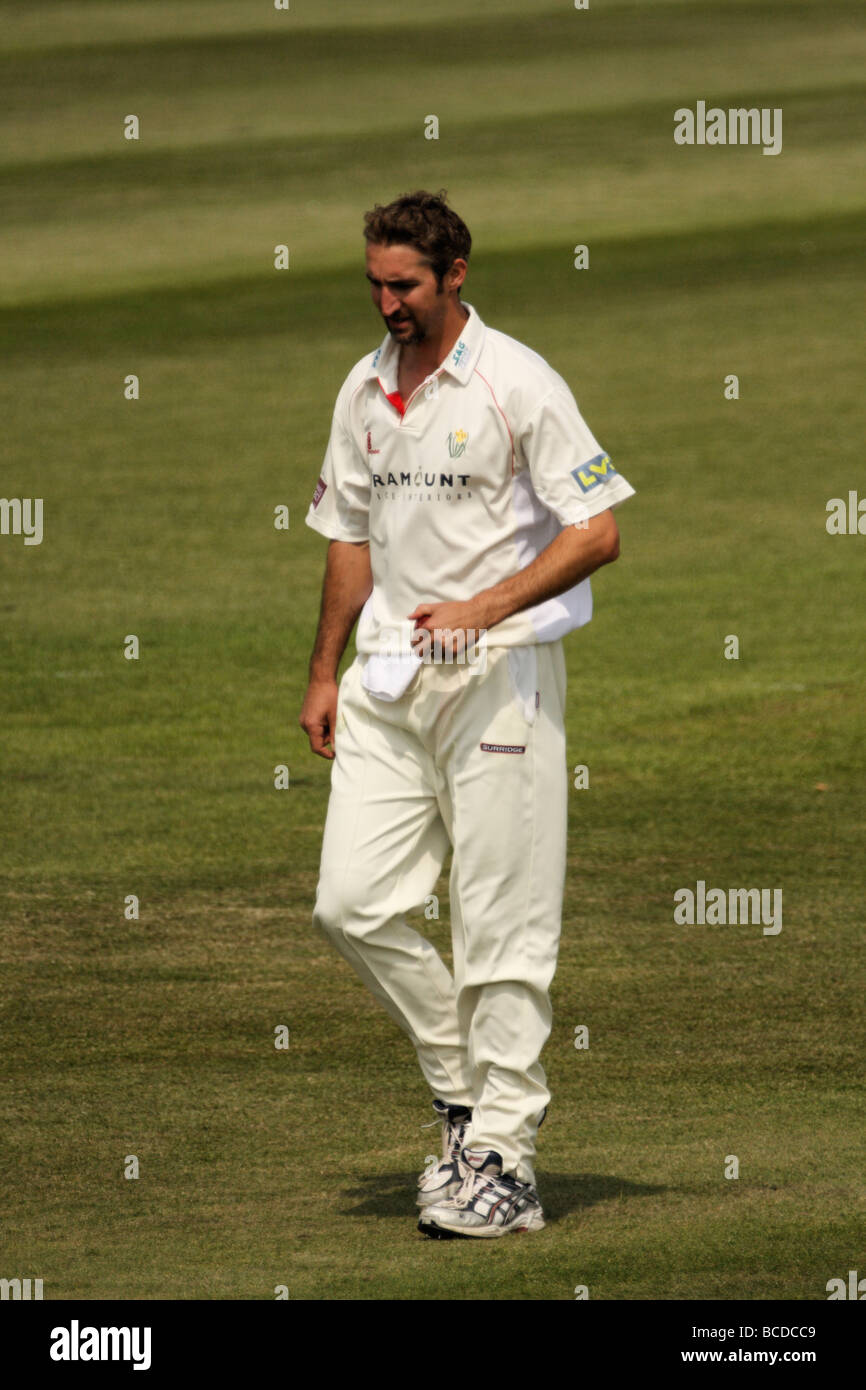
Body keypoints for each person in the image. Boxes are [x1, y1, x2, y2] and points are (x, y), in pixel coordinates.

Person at [300, 190, 635, 1239]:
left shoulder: (515, 382)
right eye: (373, 284)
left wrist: (485, 607)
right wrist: (322, 669)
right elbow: (347, 534)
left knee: (500, 928)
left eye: (402, 284)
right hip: (388, 684)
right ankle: (462, 1098)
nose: (386, 302)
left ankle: (506, 1159)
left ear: (453, 275)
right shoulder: (362, 388)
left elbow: (598, 532)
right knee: (348, 903)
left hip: (498, 680)